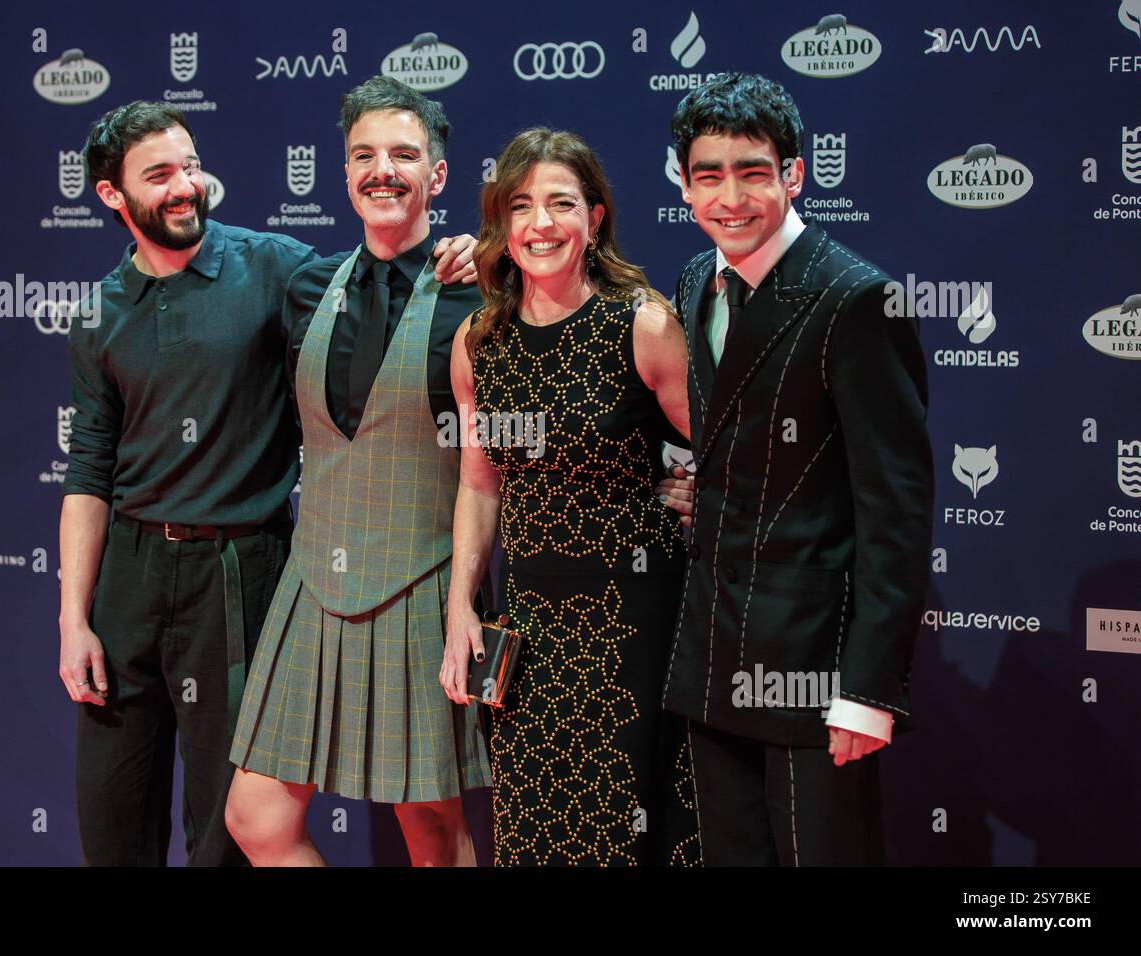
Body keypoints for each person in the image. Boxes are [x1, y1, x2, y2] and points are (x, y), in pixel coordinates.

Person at [59, 100, 475, 866]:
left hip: (254, 573)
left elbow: (398, 277)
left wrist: (476, 258)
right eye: (161, 175)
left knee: (245, 827)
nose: (186, 186)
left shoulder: (279, 269)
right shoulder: (101, 315)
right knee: (145, 822)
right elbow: (87, 468)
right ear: (113, 196)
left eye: (191, 166)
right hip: (149, 576)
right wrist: (72, 616)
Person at [660, 73, 933, 865]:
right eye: (707, 175)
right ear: (683, 185)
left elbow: (898, 508)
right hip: (713, 655)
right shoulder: (691, 282)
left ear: (794, 175)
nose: (730, 197)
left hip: (814, 673)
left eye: (752, 172)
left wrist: (870, 689)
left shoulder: (855, 299)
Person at [225, 76, 490, 867]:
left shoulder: (474, 293)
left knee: (432, 833)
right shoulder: (306, 285)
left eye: (404, 155)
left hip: (422, 583)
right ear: (343, 174)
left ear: (437, 177)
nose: (383, 171)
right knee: (256, 819)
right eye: (364, 156)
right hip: (315, 579)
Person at [440, 128, 703, 866]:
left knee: (632, 825)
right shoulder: (478, 341)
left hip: (634, 623)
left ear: (596, 218)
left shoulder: (643, 326)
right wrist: (462, 605)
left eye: (561, 203)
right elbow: (479, 482)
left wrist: (687, 491)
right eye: (520, 206)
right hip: (528, 626)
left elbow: (724, 452)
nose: (541, 223)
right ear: (501, 224)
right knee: (532, 827)